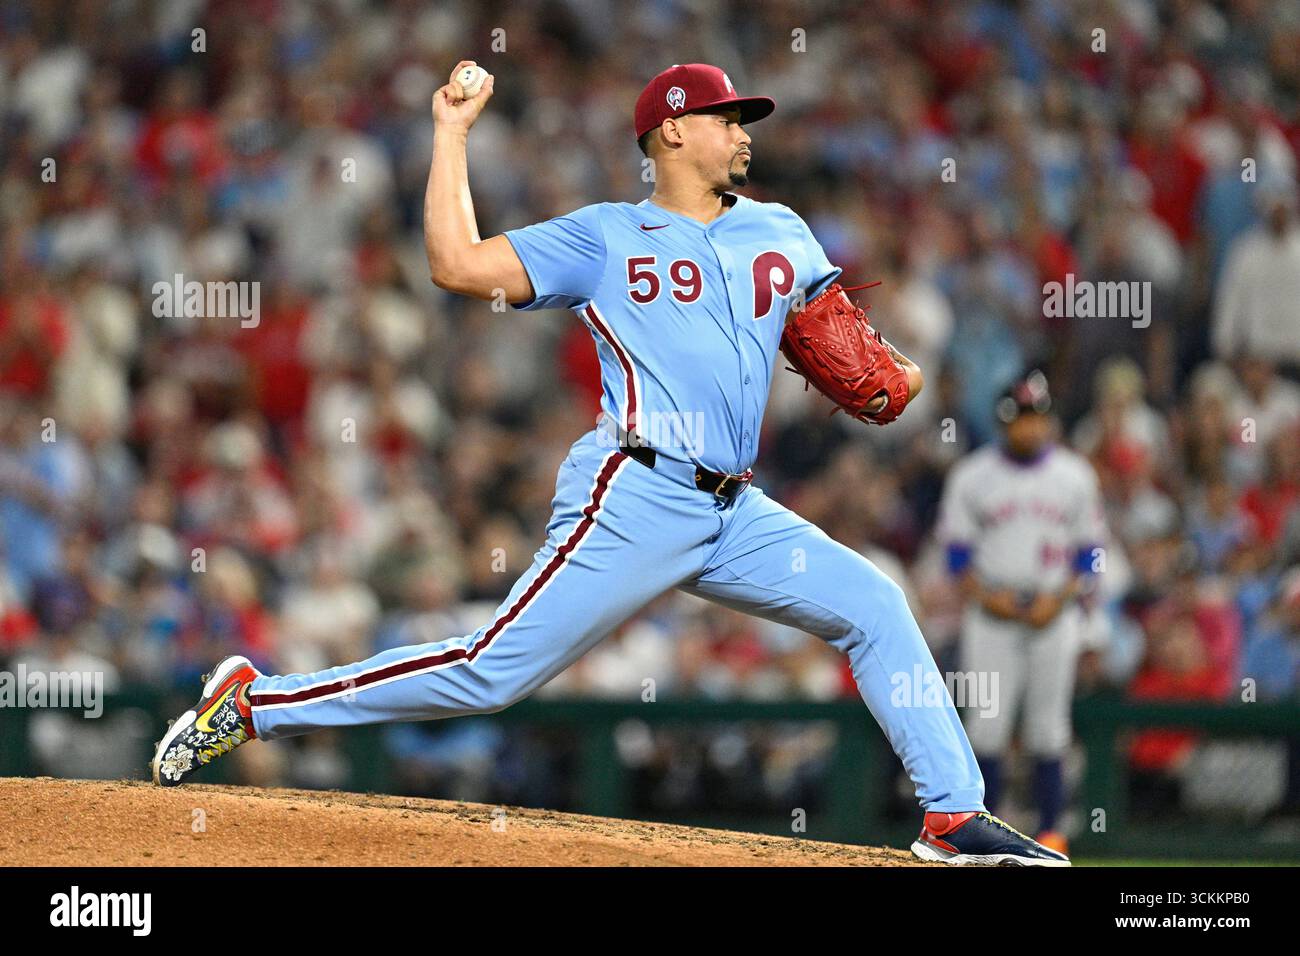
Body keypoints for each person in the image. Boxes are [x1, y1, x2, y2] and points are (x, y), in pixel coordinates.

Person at [152, 61, 1067, 865]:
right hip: (634, 491)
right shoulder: (603, 236)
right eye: (727, 118)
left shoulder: (783, 230)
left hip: (734, 512)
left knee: (874, 604)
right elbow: (456, 264)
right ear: (673, 129)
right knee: (488, 671)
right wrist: (450, 132)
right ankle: (255, 701)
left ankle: (954, 815)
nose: (742, 133)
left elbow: (845, 347)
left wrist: (893, 368)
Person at [937, 370, 1105, 855]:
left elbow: (1091, 552)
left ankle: (1052, 832)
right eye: (1021, 419)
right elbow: (955, 555)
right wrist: (993, 599)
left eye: (1037, 417)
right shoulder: (972, 474)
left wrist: (1063, 597)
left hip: (1056, 613)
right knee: (986, 727)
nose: (1029, 428)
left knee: (1048, 729)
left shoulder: (1075, 475)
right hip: (992, 614)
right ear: (1003, 423)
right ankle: (984, 835)